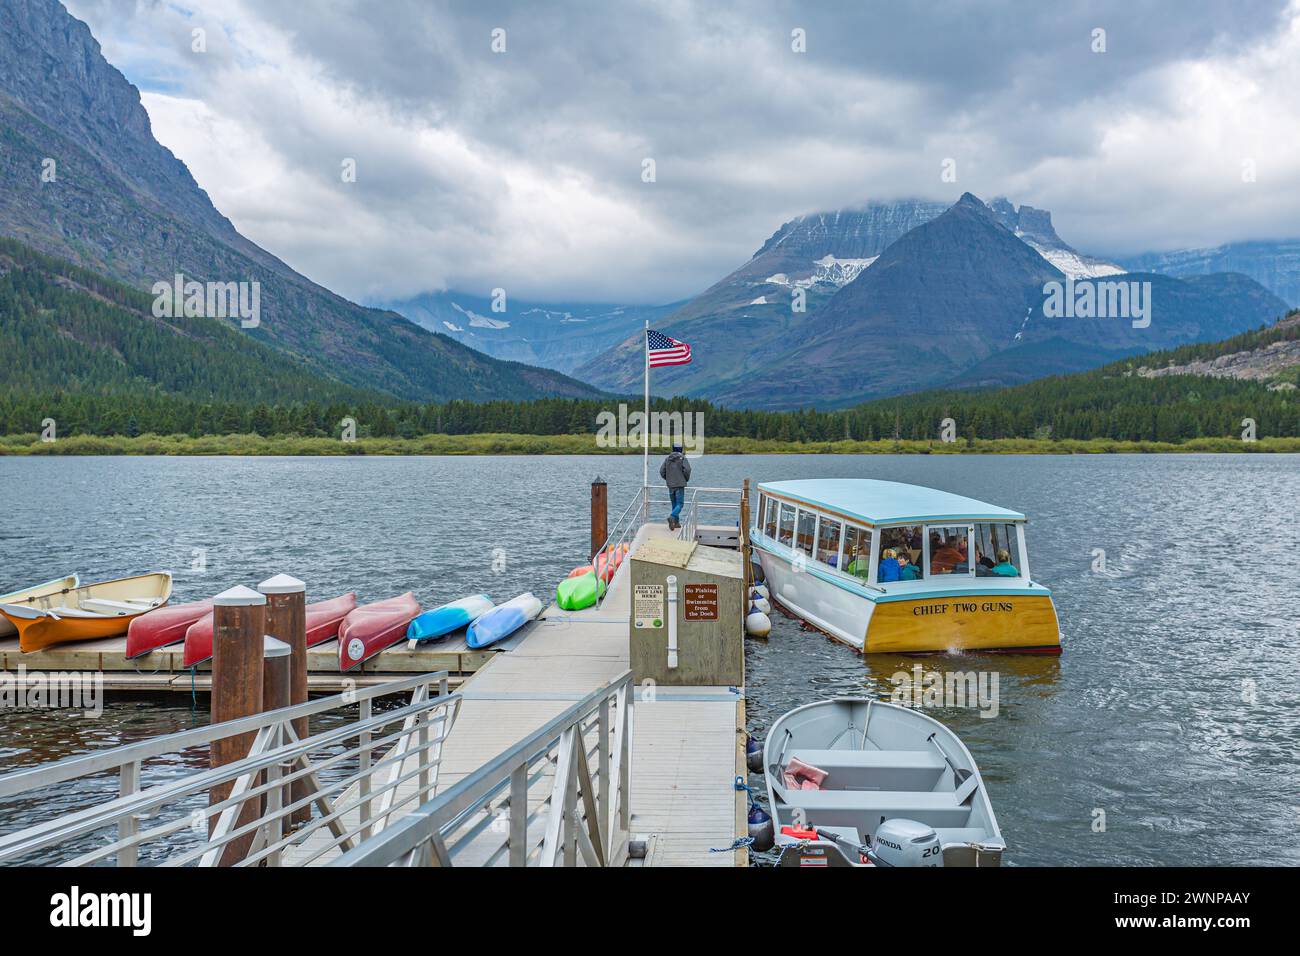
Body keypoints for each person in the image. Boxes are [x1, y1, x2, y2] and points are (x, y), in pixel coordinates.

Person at [659, 444, 691, 530]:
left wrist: (668, 478)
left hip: (671, 485)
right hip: (679, 484)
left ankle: (675, 523)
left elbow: (662, 471)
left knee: (674, 504)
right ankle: (672, 517)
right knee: (680, 504)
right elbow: (687, 470)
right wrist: (685, 479)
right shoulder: (682, 458)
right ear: (681, 450)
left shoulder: (667, 459)